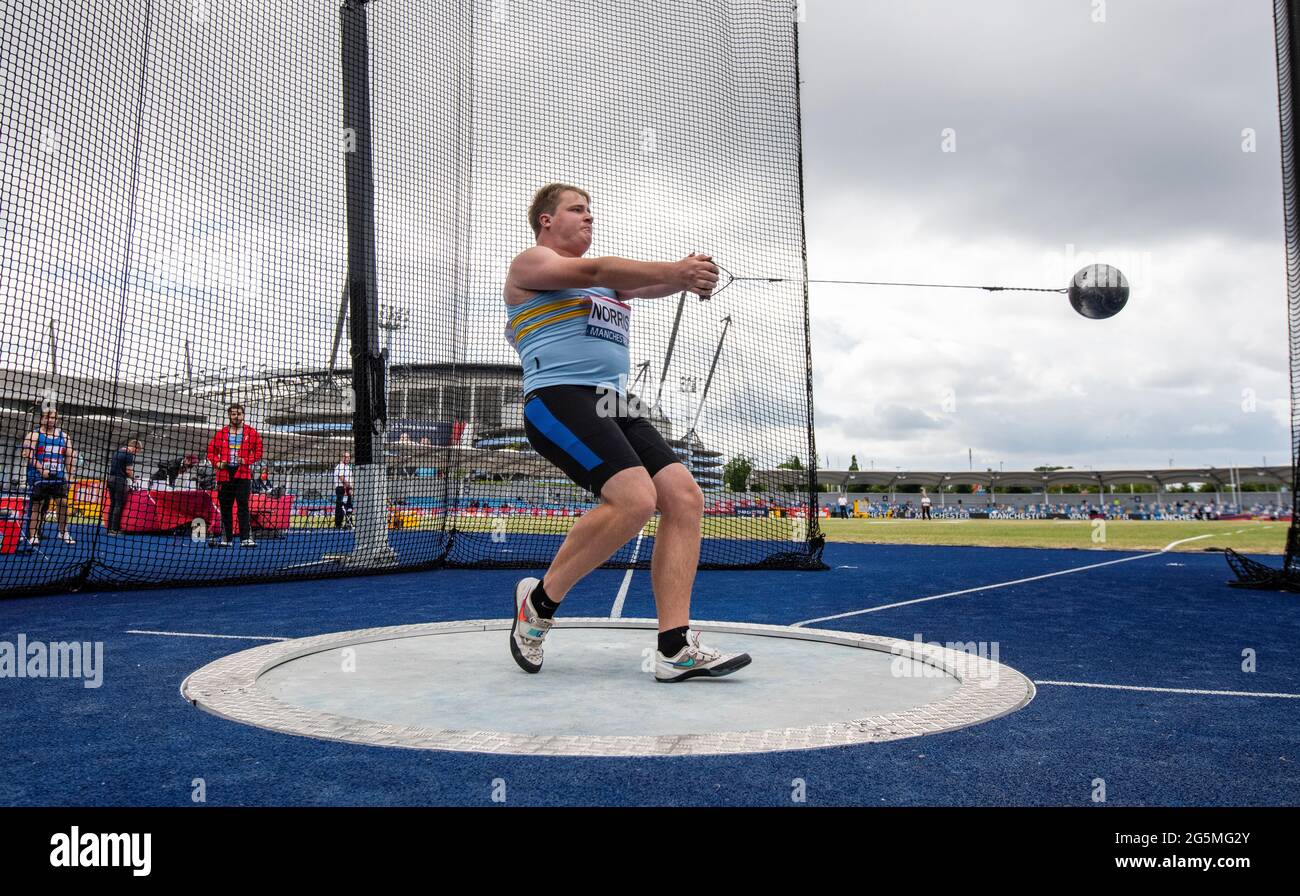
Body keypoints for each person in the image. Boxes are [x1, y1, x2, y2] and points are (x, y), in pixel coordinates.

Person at [501, 182, 747, 682]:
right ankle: (539, 605)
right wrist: (676, 271)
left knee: (684, 496)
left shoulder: (609, 288)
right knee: (634, 499)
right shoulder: (532, 263)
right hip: (558, 396)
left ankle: (674, 648)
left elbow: (636, 283)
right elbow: (600, 269)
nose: (589, 218)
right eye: (577, 210)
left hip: (615, 402)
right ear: (546, 220)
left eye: (591, 211)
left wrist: (686, 277)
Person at [206, 403, 263, 547]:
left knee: (243, 506)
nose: (236, 417)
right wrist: (217, 463)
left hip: (243, 474)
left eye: (238, 414)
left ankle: (245, 539)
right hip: (225, 474)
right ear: (229, 416)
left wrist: (246, 460)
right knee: (226, 507)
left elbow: (259, 452)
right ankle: (227, 539)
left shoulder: (251, 432)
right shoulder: (221, 433)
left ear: (243, 416)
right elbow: (211, 452)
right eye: (233, 414)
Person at [22, 408, 77, 545]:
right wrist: (41, 469)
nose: (50, 420)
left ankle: (63, 532)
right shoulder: (34, 435)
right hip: (38, 477)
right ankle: (33, 535)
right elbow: (28, 454)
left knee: (63, 503)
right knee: (37, 505)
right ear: (42, 419)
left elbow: (69, 456)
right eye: (47, 417)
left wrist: (71, 476)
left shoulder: (64, 437)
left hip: (58, 477)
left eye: (53, 418)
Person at [106, 439, 143, 534]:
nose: (136, 453)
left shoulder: (117, 452)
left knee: (113, 503)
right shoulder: (129, 454)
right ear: (135, 447)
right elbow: (128, 471)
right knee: (118, 504)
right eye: (137, 451)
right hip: (119, 481)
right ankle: (115, 529)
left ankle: (109, 528)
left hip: (110, 479)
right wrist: (134, 478)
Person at [334, 452, 353, 529]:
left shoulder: (349, 467)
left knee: (349, 506)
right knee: (340, 506)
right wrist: (349, 485)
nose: (347, 458)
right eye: (346, 457)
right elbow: (341, 478)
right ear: (342, 457)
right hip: (341, 488)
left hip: (348, 489)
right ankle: (338, 524)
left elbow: (351, 478)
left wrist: (352, 488)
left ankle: (349, 523)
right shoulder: (340, 466)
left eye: (348, 457)